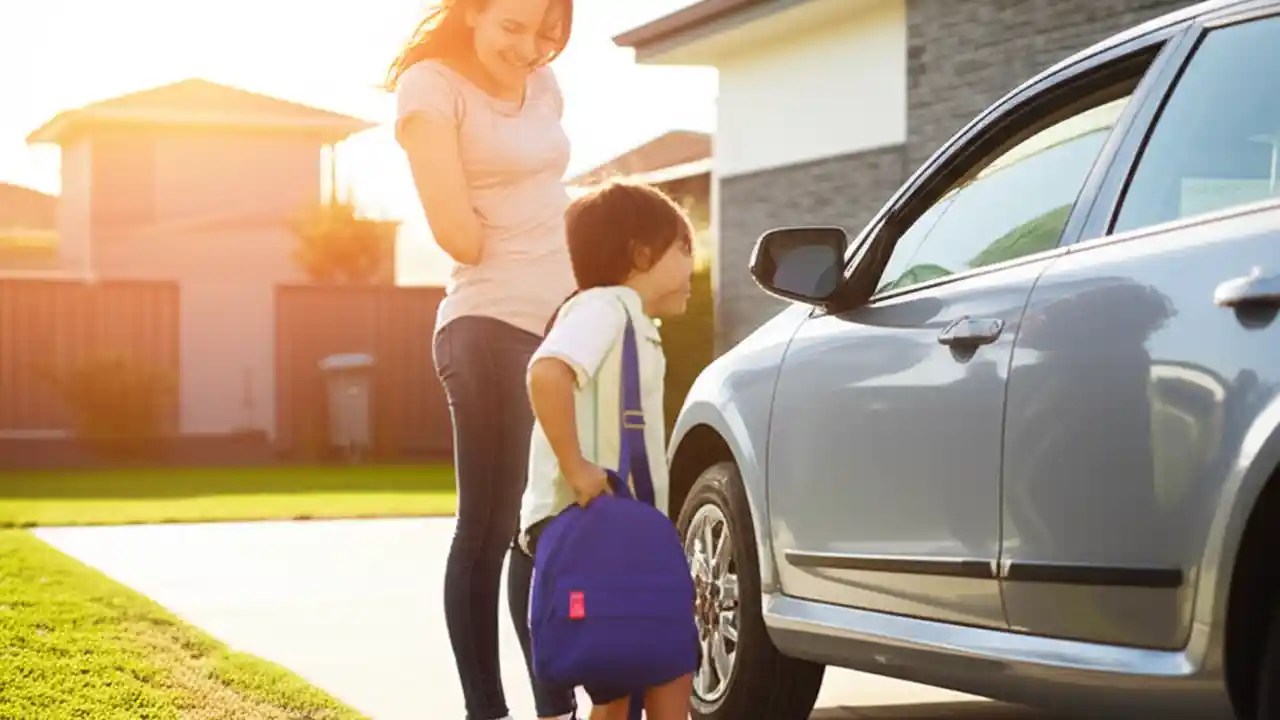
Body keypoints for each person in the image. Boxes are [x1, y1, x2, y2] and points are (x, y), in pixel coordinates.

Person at [387, 1, 575, 719]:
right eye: (512, 28)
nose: (530, 48)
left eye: (544, 32)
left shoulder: (546, 85)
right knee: (490, 527)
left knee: (545, 524)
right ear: (472, 13)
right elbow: (458, 236)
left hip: (562, 330)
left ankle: (554, 706)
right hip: (489, 324)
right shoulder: (431, 89)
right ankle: (485, 711)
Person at [517, 181, 697, 720]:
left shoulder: (627, 318)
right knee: (666, 666)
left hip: (612, 530)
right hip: (597, 527)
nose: (694, 261)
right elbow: (546, 373)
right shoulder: (606, 308)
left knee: (624, 685)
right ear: (641, 255)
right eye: (684, 248)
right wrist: (576, 468)